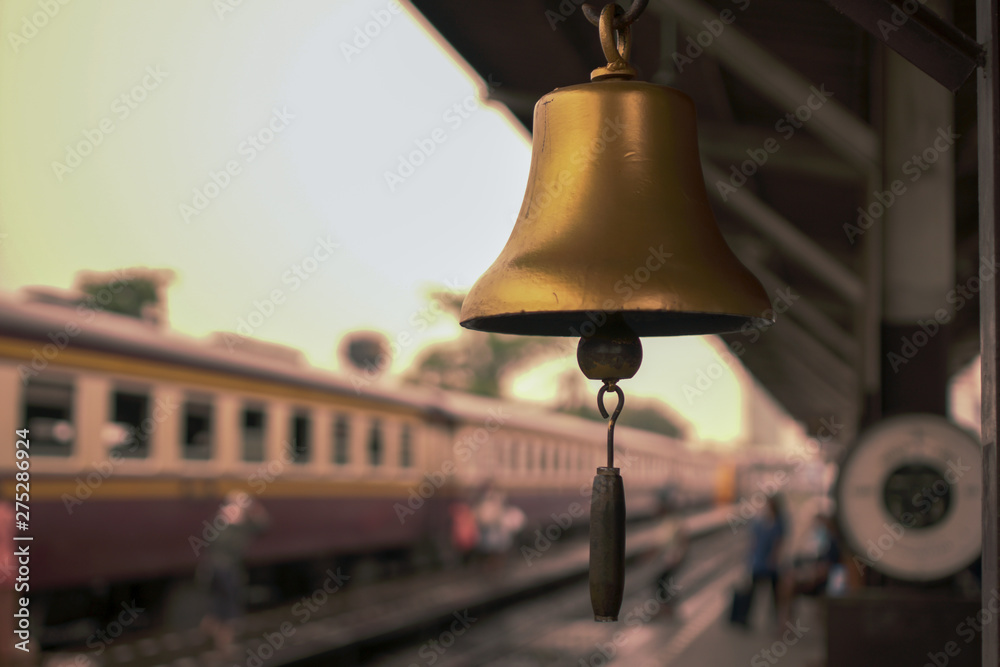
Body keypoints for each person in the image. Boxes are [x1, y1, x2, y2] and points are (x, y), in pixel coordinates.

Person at [199, 491, 268, 658]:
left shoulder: (232, 521)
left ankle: (211, 631)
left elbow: (264, 526)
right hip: (224, 570)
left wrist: (255, 509)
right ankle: (223, 643)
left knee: (220, 605)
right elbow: (225, 543)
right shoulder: (228, 523)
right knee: (228, 606)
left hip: (222, 569)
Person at [732, 494, 786, 628]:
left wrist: (772, 559)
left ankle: (774, 620)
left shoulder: (773, 522)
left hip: (768, 564)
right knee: (758, 592)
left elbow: (777, 543)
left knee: (772, 593)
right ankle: (747, 618)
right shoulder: (765, 521)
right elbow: (754, 542)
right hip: (761, 562)